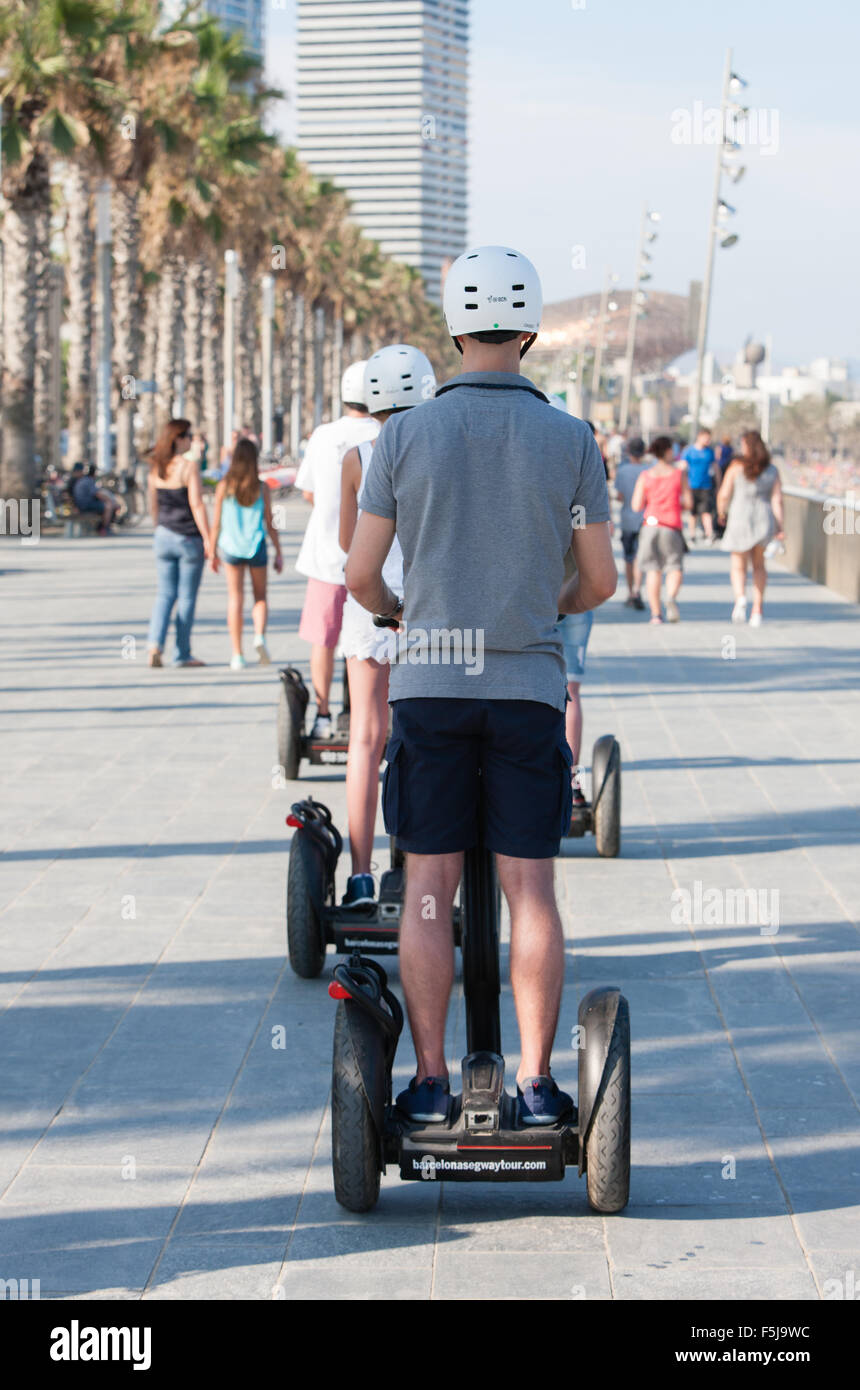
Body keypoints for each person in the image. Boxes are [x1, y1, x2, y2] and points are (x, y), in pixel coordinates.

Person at [346, 244, 615, 1127]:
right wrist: (548, 604)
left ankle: (429, 1083)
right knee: (530, 887)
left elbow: (360, 575)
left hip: (428, 683)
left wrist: (399, 614)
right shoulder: (571, 439)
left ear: (455, 330)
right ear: (531, 330)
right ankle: (536, 1088)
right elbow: (600, 582)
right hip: (528, 688)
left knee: (428, 884)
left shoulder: (403, 435)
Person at [338, 345, 436, 906]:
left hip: (370, 601)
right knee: (418, 738)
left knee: (365, 739)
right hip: (427, 609)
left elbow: (348, 546)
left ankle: (359, 875)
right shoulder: (439, 447)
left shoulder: (356, 456)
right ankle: (416, 872)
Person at [294, 362, 379, 737]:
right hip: (376, 560)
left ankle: (323, 717)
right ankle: (371, 719)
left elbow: (308, 491)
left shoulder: (323, 436)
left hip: (326, 556)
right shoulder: (385, 432)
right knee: (374, 646)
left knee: (323, 639)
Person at [210, 438, 283, 668]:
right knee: (260, 597)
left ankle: (237, 654)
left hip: (230, 548)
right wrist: (279, 552)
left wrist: (211, 551)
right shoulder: (261, 487)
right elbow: (269, 522)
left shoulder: (224, 486)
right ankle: (259, 636)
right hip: (256, 546)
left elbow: (216, 523)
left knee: (235, 597)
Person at [146, 418, 213, 668]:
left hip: (163, 535)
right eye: (189, 436)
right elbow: (196, 504)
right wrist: (208, 538)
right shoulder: (188, 467)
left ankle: (155, 643)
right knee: (186, 598)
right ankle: (182, 653)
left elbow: (153, 504)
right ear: (179, 438)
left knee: (164, 594)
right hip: (187, 537)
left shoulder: (157, 467)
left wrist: (159, 528)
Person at [717, 430, 784, 627]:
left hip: (739, 517)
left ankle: (740, 598)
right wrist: (780, 526)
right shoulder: (771, 470)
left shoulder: (736, 467)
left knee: (738, 565)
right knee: (759, 566)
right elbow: (777, 500)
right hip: (764, 518)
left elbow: (724, 494)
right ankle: (757, 609)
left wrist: (721, 513)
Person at [631, 435, 693, 624]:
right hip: (671, 526)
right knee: (674, 567)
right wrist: (676, 505)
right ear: (667, 452)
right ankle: (671, 597)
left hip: (650, 526)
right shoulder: (678, 474)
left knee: (652, 570)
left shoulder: (646, 475)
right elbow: (689, 502)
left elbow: (636, 505)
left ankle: (656, 615)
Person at [614, 437, 648, 610]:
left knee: (628, 558)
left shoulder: (623, 470)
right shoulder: (649, 470)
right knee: (640, 557)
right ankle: (637, 589)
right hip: (646, 519)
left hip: (628, 517)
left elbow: (619, 496)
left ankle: (630, 592)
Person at [681, 427, 720, 545]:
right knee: (693, 513)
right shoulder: (689, 451)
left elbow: (716, 469)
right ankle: (692, 535)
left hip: (706, 486)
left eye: (709, 438)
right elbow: (682, 468)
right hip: (691, 486)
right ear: (700, 437)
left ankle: (709, 534)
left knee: (706, 511)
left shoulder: (709, 452)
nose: (708, 440)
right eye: (706, 438)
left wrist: (719, 485)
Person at [70, 463, 119, 535]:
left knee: (108, 505)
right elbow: (97, 494)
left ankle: (102, 527)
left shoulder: (83, 480)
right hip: (84, 505)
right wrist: (110, 500)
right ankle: (103, 528)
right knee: (108, 506)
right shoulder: (87, 480)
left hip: (82, 504)